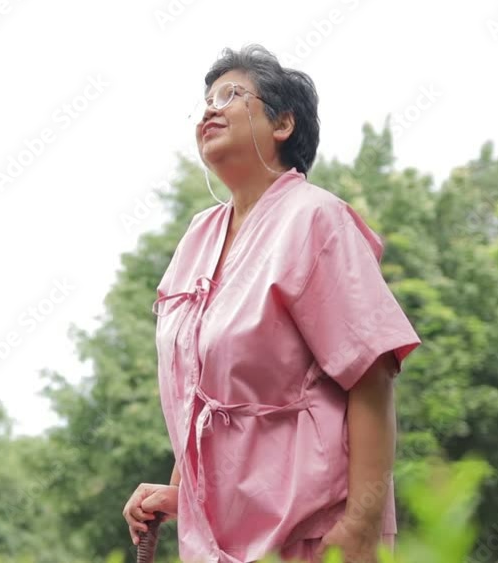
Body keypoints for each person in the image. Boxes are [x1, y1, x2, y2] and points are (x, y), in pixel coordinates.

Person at [122, 44, 421, 563]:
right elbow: (202, 386)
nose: (210, 110)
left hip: (311, 534)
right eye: (205, 101)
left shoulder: (316, 220)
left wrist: (360, 525)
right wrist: (181, 492)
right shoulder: (197, 236)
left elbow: (372, 376)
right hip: (215, 542)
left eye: (231, 95)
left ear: (283, 123)